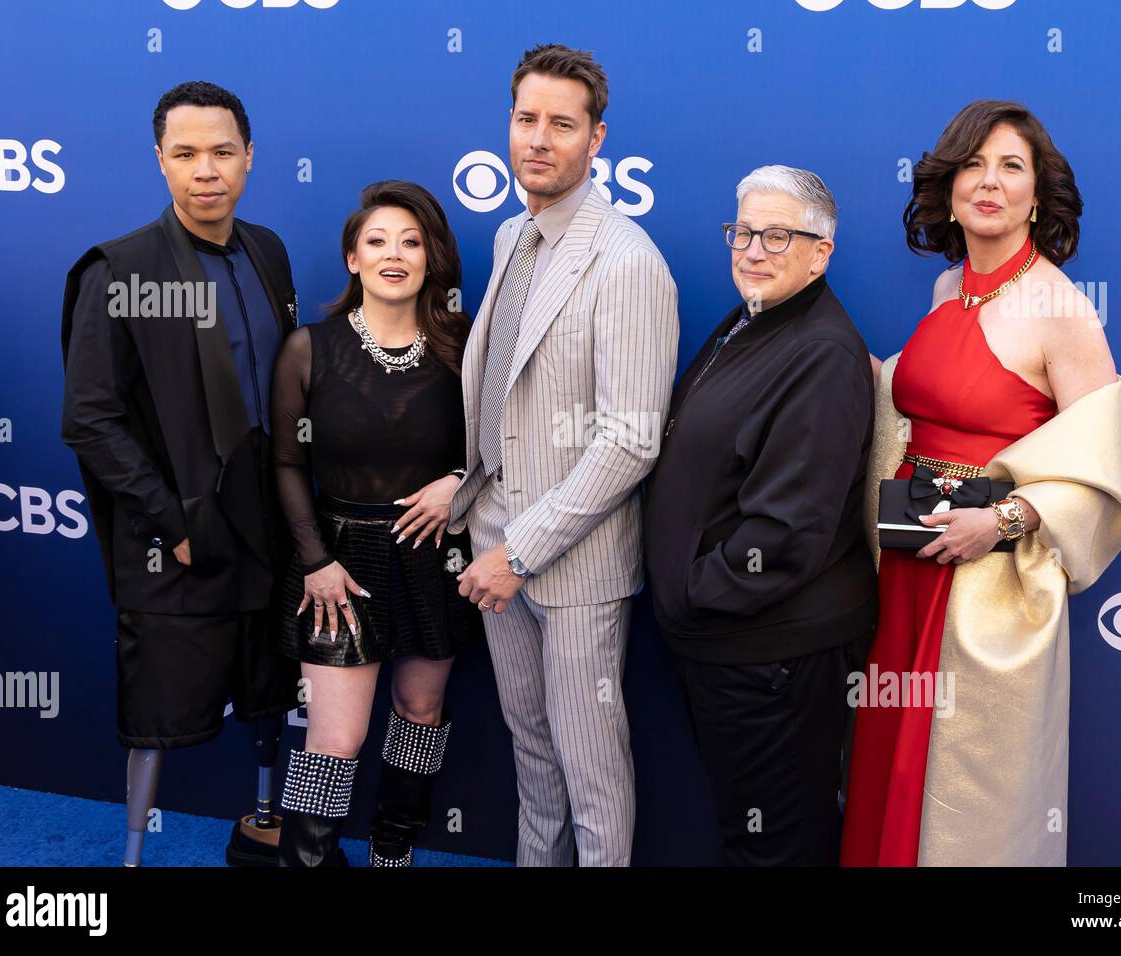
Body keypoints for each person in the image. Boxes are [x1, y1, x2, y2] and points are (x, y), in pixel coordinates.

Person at [841, 100, 1121, 867]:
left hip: (987, 583)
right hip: (908, 561)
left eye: (1012, 167)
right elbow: (908, 404)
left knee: (965, 792)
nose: (989, 182)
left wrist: (999, 521)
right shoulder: (946, 291)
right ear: (947, 186)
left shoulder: (1063, 311)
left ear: (1040, 196)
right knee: (890, 760)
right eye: (973, 164)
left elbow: (1096, 471)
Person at [448, 43, 679, 866]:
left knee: (591, 774)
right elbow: (503, 396)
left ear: (597, 139)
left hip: (569, 563)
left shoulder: (626, 261)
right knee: (531, 754)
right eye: (525, 119)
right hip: (491, 540)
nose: (538, 139)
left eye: (562, 124)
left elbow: (630, 440)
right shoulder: (514, 234)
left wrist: (522, 549)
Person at [60, 80, 301, 866]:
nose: (207, 170)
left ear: (250, 159)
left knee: (269, 689)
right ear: (159, 162)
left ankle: (265, 819)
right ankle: (133, 853)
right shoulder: (116, 268)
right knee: (159, 711)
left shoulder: (266, 249)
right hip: (177, 542)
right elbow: (90, 420)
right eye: (187, 153)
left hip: (267, 530)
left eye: (223, 152)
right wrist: (174, 524)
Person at [643, 165, 877, 866]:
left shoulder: (823, 354)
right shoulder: (755, 318)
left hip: (771, 655)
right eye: (743, 231)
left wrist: (692, 593)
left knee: (776, 845)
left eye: (778, 235)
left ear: (821, 251)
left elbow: (788, 530)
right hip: (728, 647)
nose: (752, 250)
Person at [270, 180, 480, 867]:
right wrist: (314, 561)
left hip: (435, 556)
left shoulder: (464, 347)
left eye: (412, 241)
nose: (395, 254)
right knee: (335, 741)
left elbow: (505, 446)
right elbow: (286, 463)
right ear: (353, 258)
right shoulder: (309, 347)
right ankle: (307, 862)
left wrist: (458, 483)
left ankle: (395, 853)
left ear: (431, 259)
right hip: (339, 561)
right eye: (378, 241)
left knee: (421, 715)